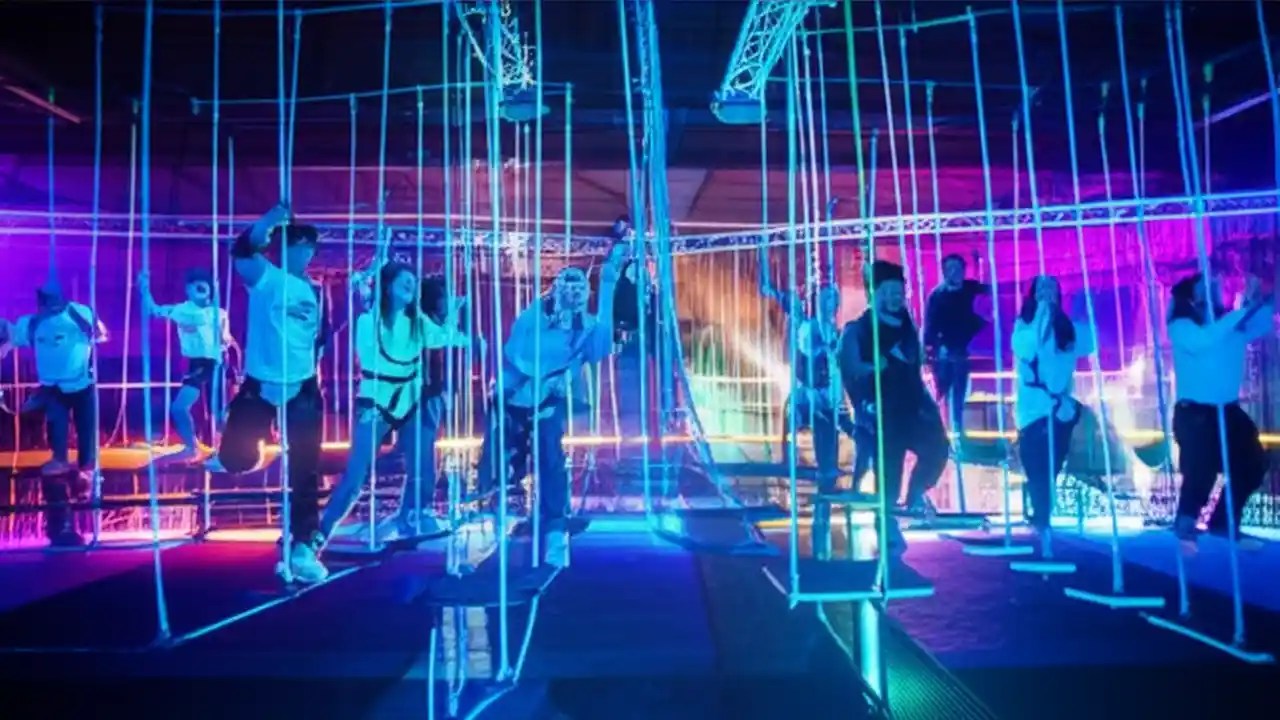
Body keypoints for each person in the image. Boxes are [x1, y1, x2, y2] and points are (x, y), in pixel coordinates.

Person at [476, 243, 627, 567]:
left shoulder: (586, 329)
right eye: (566, 283)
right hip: (515, 397)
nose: (572, 290)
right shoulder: (534, 315)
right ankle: (493, 507)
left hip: (547, 401)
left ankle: (555, 529)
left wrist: (610, 280)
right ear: (555, 289)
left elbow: (601, 341)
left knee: (550, 457)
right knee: (503, 455)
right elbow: (515, 353)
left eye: (579, 285)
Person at [209, 204, 330, 584]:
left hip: (303, 385)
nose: (308, 254)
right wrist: (269, 220)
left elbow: (316, 338)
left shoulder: (314, 290)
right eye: (301, 246)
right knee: (235, 458)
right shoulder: (266, 277)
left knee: (306, 471)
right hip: (261, 384)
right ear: (283, 248)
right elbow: (242, 251)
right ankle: (247, 448)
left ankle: (303, 546)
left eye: (312, 248)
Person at [318, 265, 475, 547]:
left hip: (411, 400)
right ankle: (320, 530)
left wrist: (458, 324)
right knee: (357, 474)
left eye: (413, 283)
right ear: (388, 286)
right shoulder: (368, 321)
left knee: (423, 463)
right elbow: (369, 355)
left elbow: (446, 337)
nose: (411, 287)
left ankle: (415, 515)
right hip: (376, 401)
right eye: (405, 282)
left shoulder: (419, 323)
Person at [839, 260, 948, 550]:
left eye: (897, 291)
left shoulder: (908, 325)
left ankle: (914, 495)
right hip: (882, 411)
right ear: (875, 294)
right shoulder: (859, 329)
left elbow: (913, 368)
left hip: (913, 407)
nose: (893, 297)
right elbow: (849, 366)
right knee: (889, 472)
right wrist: (876, 366)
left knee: (938, 449)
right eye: (887, 291)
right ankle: (887, 525)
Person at [1167, 272, 1274, 553]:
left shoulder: (1229, 325)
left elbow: (1258, 326)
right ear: (1193, 295)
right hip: (1196, 413)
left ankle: (1223, 521)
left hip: (1227, 410)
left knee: (1251, 464)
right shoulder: (1182, 326)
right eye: (1208, 287)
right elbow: (1205, 341)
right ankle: (1186, 521)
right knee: (1200, 469)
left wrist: (1260, 304)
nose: (1216, 290)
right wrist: (1241, 312)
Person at [0, 280, 108, 546]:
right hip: (52, 386)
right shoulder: (33, 322)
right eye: (47, 300)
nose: (52, 304)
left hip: (81, 383)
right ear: (41, 301)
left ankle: (87, 469)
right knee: (56, 426)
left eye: (56, 299)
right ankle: (59, 458)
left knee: (86, 429)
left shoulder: (80, 312)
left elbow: (100, 335)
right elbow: (12, 342)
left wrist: (80, 319)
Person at [757, 245, 861, 490]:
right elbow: (773, 292)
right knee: (813, 421)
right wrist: (765, 258)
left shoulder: (836, 330)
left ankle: (845, 465)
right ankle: (806, 467)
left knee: (845, 427)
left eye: (833, 301)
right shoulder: (807, 325)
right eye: (826, 300)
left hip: (831, 391)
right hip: (812, 391)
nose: (831, 306)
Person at [1010, 276, 1093, 554]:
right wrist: (1042, 314)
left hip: (1060, 410)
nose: (1047, 295)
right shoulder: (1024, 326)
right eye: (1041, 290)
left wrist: (1081, 312)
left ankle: (1043, 517)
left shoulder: (1065, 328)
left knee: (1052, 464)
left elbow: (1089, 343)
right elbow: (1027, 347)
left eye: (1052, 291)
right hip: (1034, 410)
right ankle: (1042, 518)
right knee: (1036, 465)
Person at [139, 268, 235, 463]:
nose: (199, 287)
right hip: (197, 364)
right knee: (180, 408)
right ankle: (192, 447)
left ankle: (235, 448)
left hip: (214, 364)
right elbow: (154, 311)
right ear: (187, 290)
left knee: (217, 415)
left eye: (203, 283)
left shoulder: (219, 313)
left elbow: (225, 341)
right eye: (194, 284)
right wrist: (144, 289)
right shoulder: (182, 310)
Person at [923, 252, 989, 441]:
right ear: (944, 272)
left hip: (964, 351)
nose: (955, 272)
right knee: (945, 395)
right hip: (945, 354)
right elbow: (929, 327)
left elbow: (993, 295)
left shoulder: (971, 289)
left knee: (959, 394)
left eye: (958, 268)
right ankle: (944, 435)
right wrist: (932, 351)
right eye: (950, 269)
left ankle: (957, 434)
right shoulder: (937, 296)